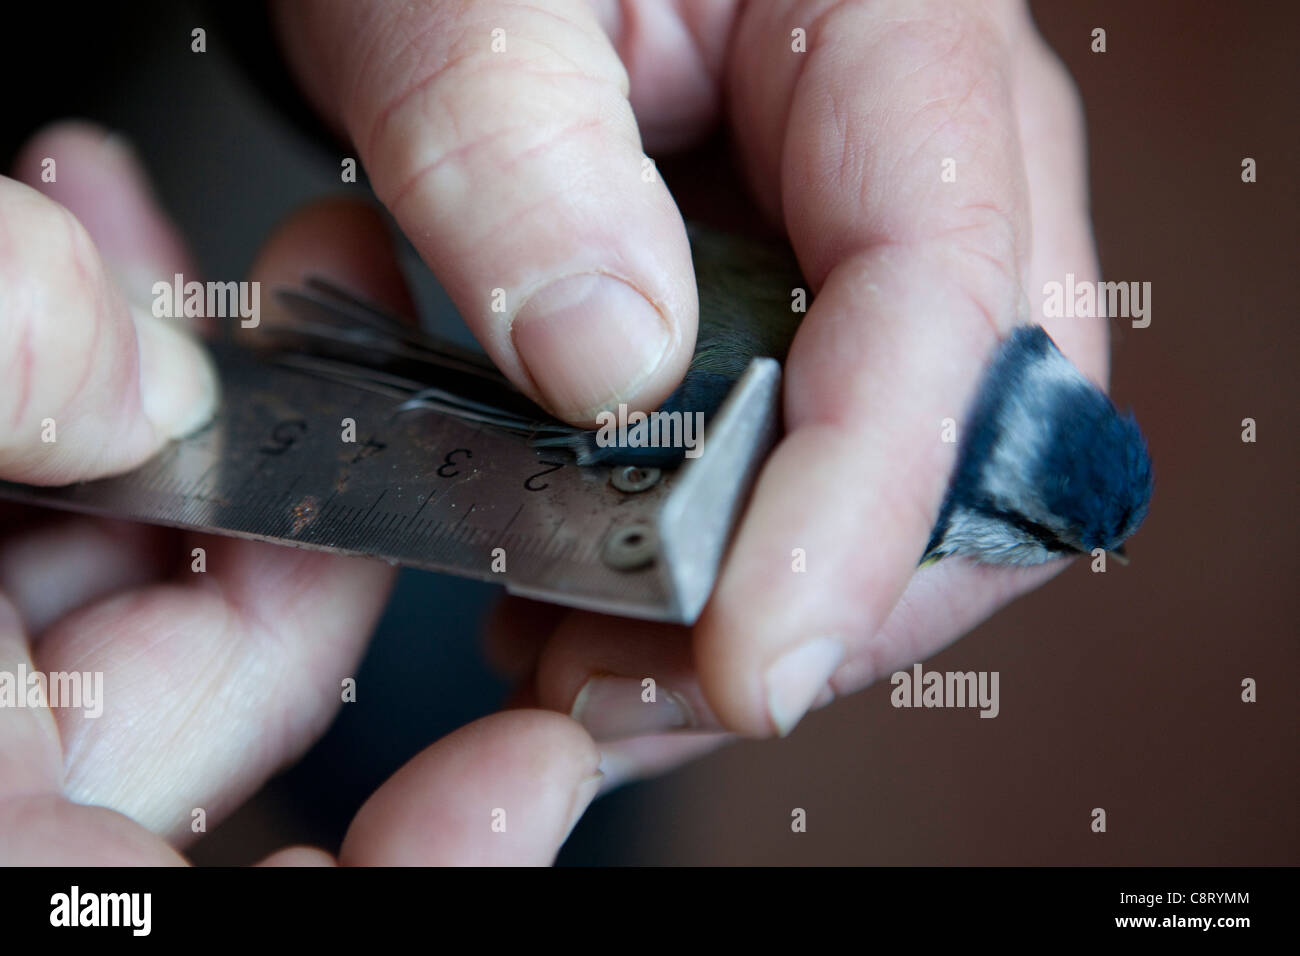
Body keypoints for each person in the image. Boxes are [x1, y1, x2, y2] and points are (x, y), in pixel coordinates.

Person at [0, 0, 1106, 865]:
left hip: (435, 405)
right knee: (454, 689)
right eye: (1037, 533)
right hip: (437, 378)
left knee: (510, 723)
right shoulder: (863, 416)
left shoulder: (886, 406)